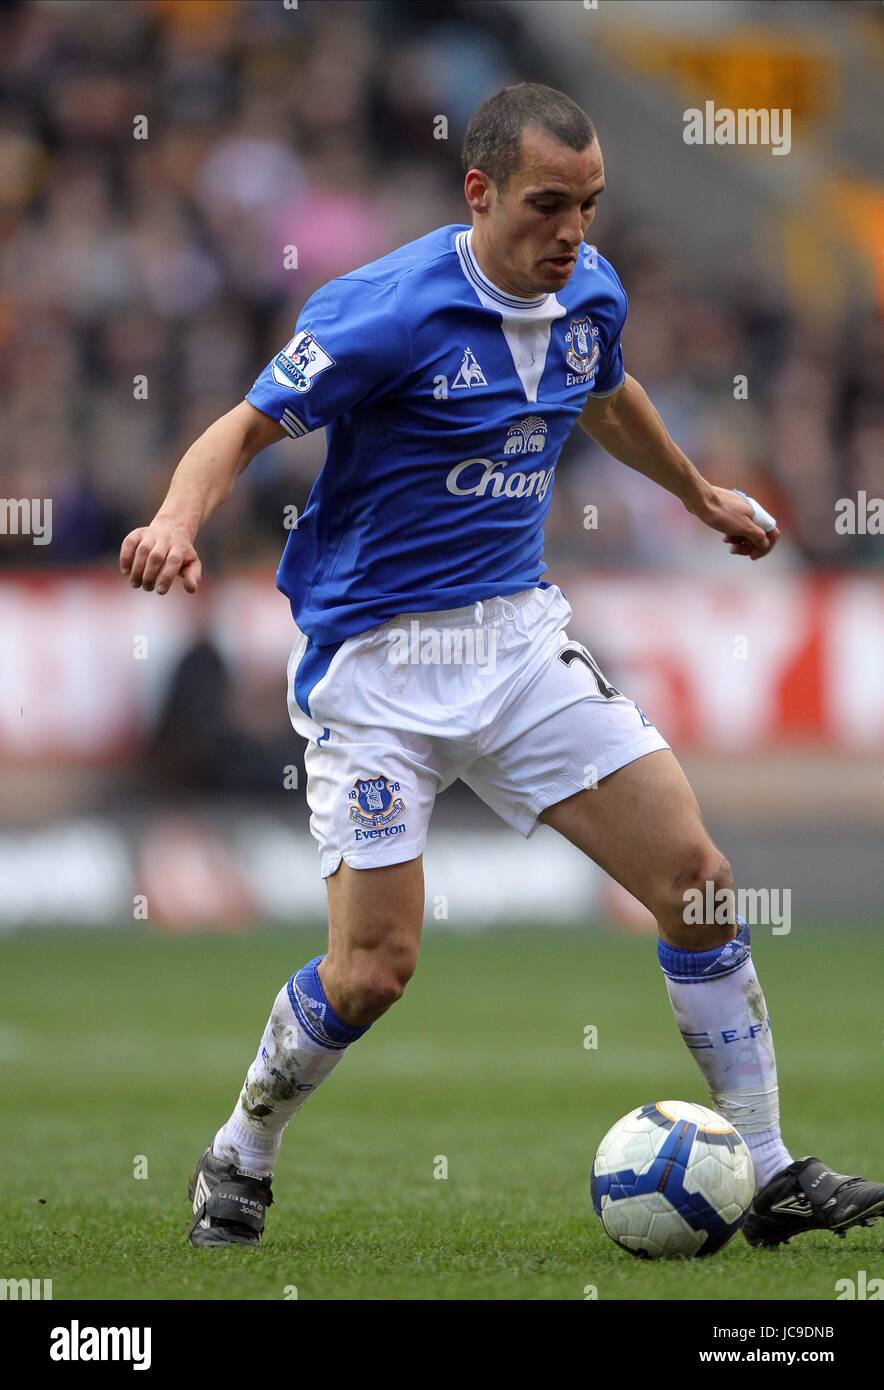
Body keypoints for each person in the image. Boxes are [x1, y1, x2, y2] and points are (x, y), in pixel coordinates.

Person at [120, 83, 883, 1251]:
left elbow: (605, 389)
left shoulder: (589, 290)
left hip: (517, 644)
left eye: (587, 205)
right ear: (477, 193)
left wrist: (696, 494)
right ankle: (241, 1150)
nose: (570, 232)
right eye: (544, 206)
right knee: (373, 968)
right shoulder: (381, 311)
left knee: (697, 879)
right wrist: (177, 519)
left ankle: (771, 1170)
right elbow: (242, 427)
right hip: (377, 664)